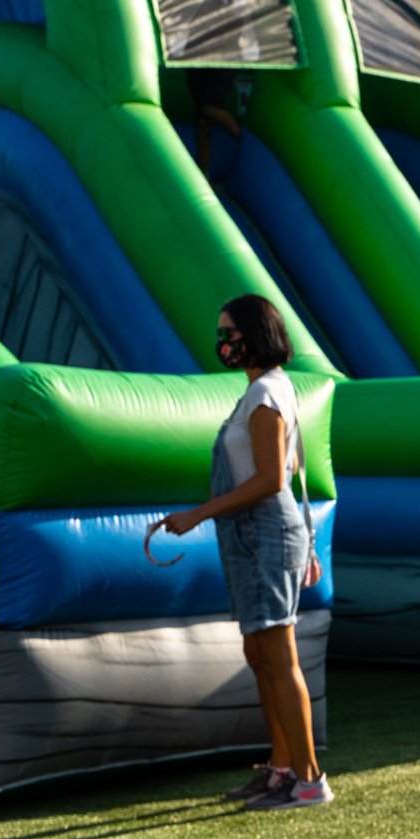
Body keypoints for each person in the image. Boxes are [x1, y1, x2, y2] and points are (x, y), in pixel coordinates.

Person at [155, 295, 330, 811]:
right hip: (255, 537)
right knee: (260, 656)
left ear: (255, 335)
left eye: (229, 334)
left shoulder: (266, 393)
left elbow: (272, 479)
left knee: (279, 656)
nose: (223, 344)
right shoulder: (263, 390)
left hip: (263, 536)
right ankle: (281, 768)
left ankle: (309, 780)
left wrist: (199, 513)